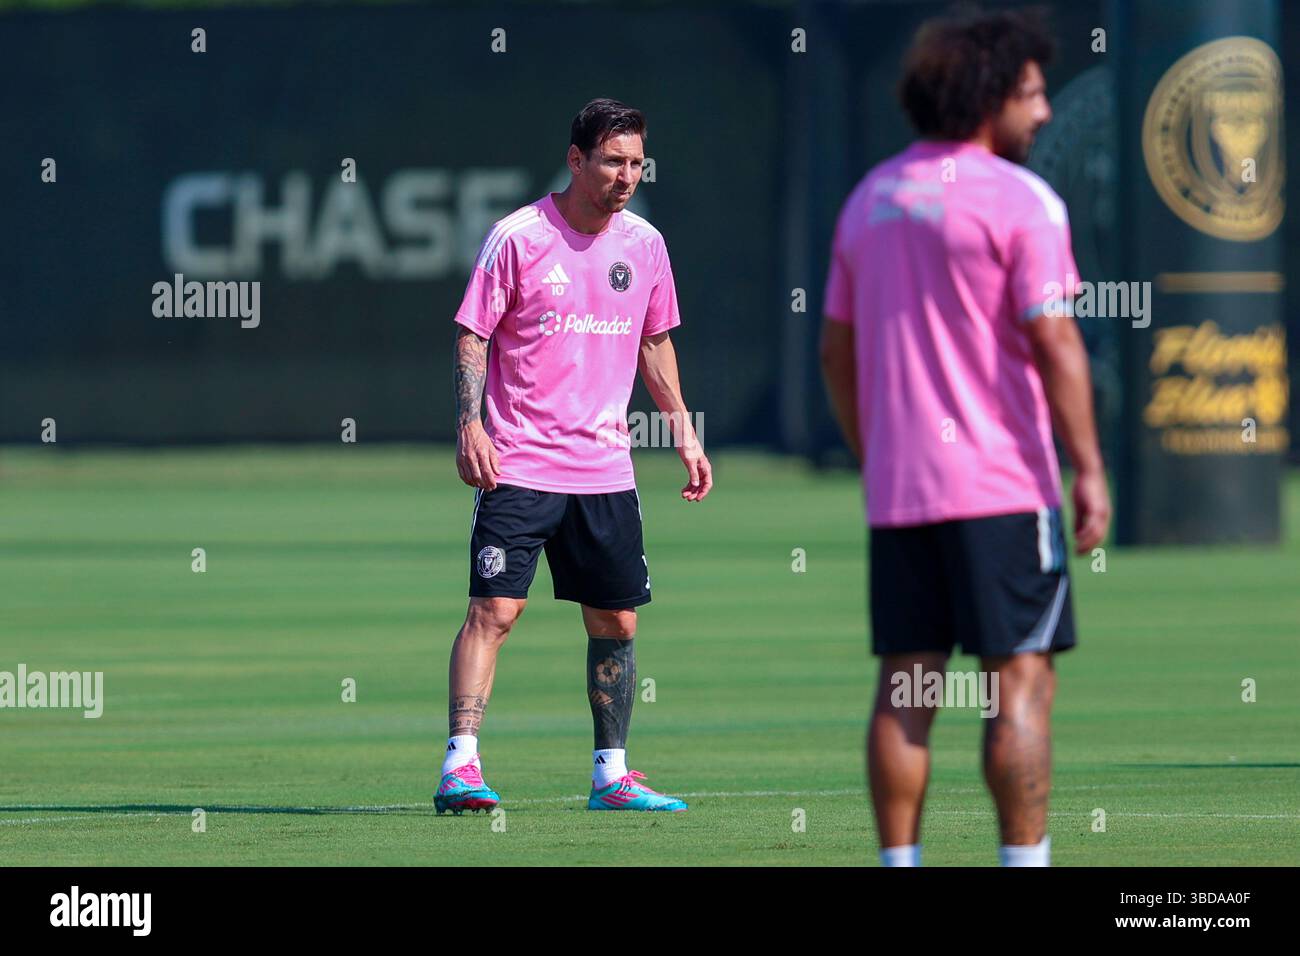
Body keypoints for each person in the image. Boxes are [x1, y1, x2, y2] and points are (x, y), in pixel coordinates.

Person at [820, 8, 1111, 866]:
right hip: (1002, 489)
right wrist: (1089, 466)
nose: (1046, 110)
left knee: (907, 688)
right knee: (1019, 681)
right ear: (990, 97)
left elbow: (836, 352)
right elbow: (1056, 340)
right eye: (1032, 92)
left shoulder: (870, 199)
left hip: (903, 492)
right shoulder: (1022, 200)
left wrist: (877, 453)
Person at [436, 98, 712, 815]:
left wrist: (681, 427)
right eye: (613, 161)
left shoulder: (645, 244)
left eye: (636, 163)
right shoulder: (518, 237)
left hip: (605, 469)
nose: (626, 176)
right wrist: (472, 425)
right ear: (577, 160)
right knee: (496, 608)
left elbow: (654, 339)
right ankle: (460, 766)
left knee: (616, 622)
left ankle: (611, 776)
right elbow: (474, 333)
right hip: (520, 460)